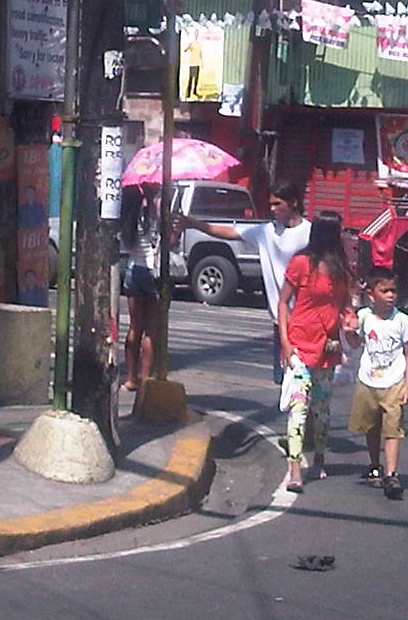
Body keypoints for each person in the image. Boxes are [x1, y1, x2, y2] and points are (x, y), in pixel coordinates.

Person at [175, 179, 311, 381]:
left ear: (292, 203)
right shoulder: (266, 231)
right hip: (280, 321)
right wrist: (192, 223)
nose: (273, 209)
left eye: (277, 204)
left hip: (305, 320)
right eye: (270, 204)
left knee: (302, 380)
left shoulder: (310, 233)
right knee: (284, 380)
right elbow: (228, 232)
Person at [278, 215, 351, 492]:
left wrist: (349, 320)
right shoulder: (302, 264)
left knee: (321, 408)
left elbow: (344, 304)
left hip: (327, 348)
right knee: (299, 408)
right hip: (300, 345)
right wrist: (285, 342)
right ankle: (295, 466)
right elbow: (283, 302)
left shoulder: (341, 269)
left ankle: (319, 456)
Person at [345, 270, 408, 498]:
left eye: (393, 291)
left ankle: (391, 474)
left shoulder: (402, 320)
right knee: (371, 426)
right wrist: (349, 333)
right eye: (384, 291)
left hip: (393, 382)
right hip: (368, 381)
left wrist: (407, 385)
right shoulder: (365, 316)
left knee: (393, 429)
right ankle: (375, 464)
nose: (390, 296)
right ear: (371, 294)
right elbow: (357, 344)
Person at [117, 186, 163, 394]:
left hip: (133, 270)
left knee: (135, 327)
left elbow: (125, 242)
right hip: (153, 272)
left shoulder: (130, 211)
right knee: (151, 330)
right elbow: (169, 241)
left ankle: (131, 378)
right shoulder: (158, 211)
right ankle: (145, 380)